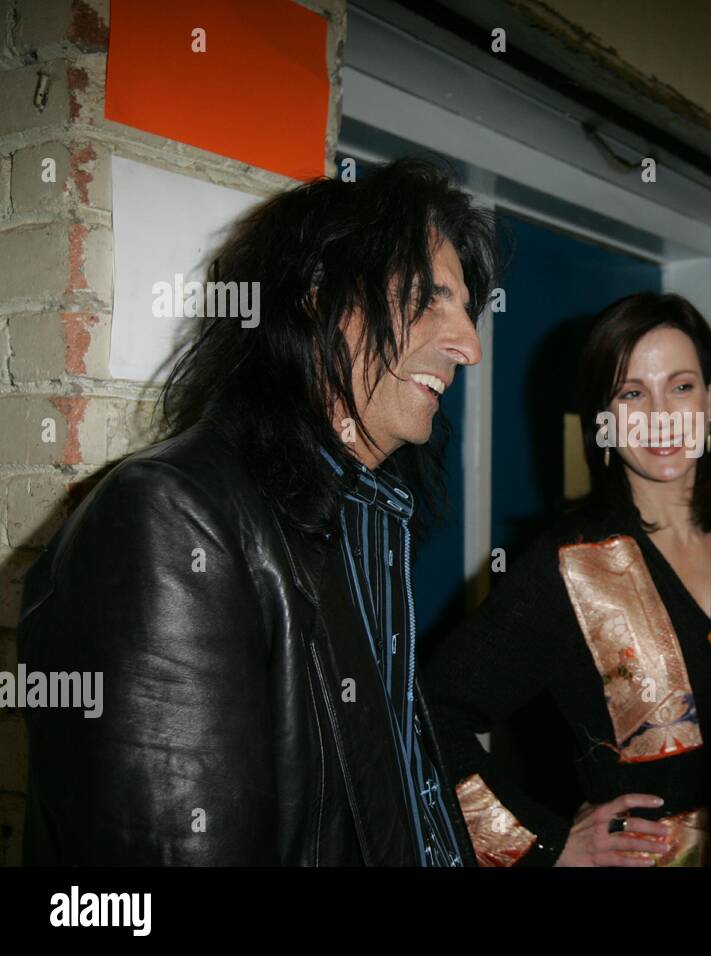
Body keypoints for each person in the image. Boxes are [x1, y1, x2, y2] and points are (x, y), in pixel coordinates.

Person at [18, 158, 497, 865]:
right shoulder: (171, 517)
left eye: (466, 308)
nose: (469, 345)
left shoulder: (364, 514)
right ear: (315, 295)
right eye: (428, 299)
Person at [429, 292, 711, 866]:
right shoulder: (570, 564)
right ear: (602, 418)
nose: (660, 415)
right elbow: (426, 713)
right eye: (632, 393)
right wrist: (546, 844)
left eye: (681, 386)